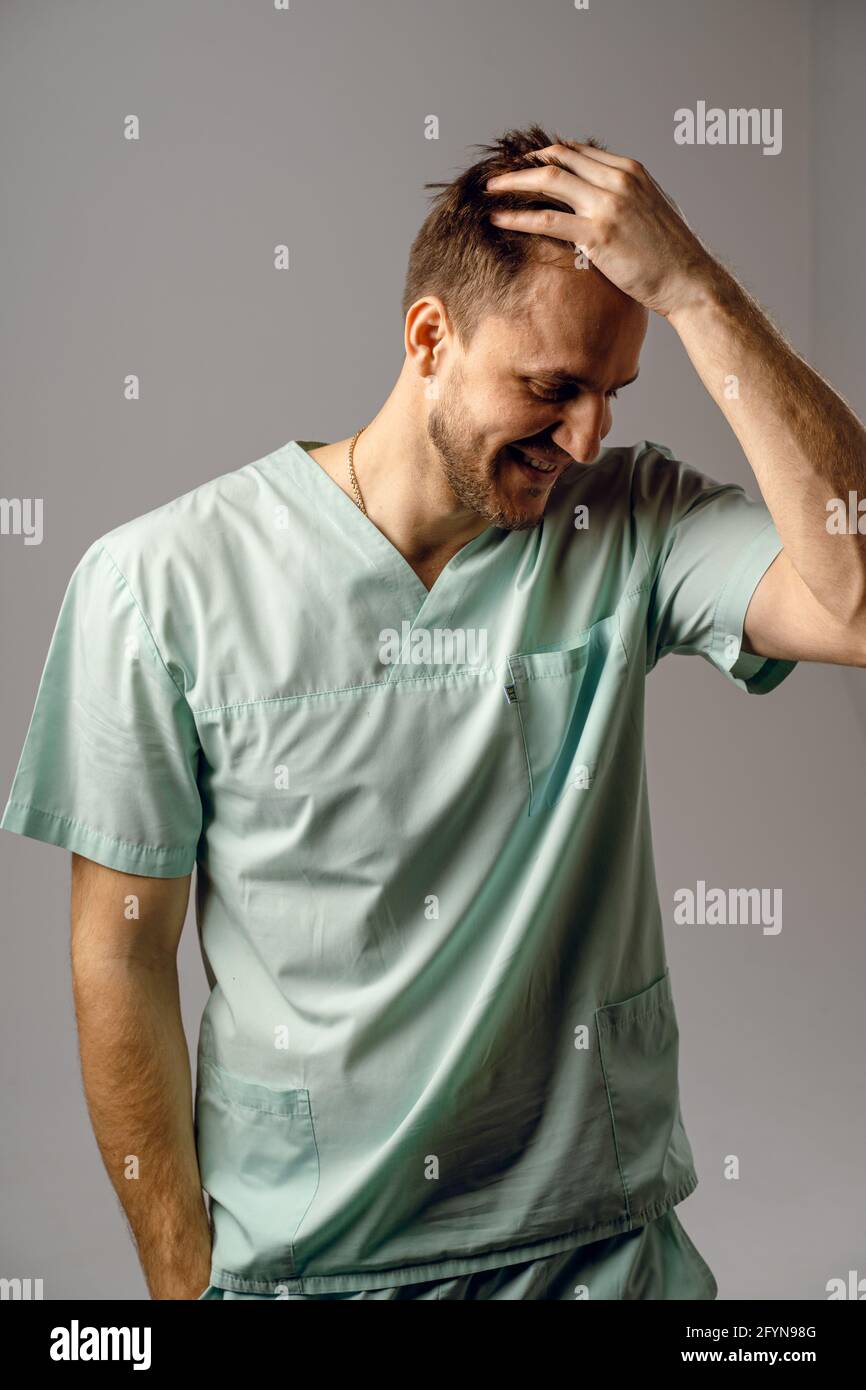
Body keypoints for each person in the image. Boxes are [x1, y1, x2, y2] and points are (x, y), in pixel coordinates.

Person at [3, 125, 864, 1302]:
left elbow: (858, 599)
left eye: (610, 394)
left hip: (600, 1257)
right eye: (550, 388)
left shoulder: (630, 522)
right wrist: (177, 1278)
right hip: (314, 1268)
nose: (584, 439)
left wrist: (699, 294)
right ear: (428, 339)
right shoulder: (156, 585)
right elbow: (121, 952)